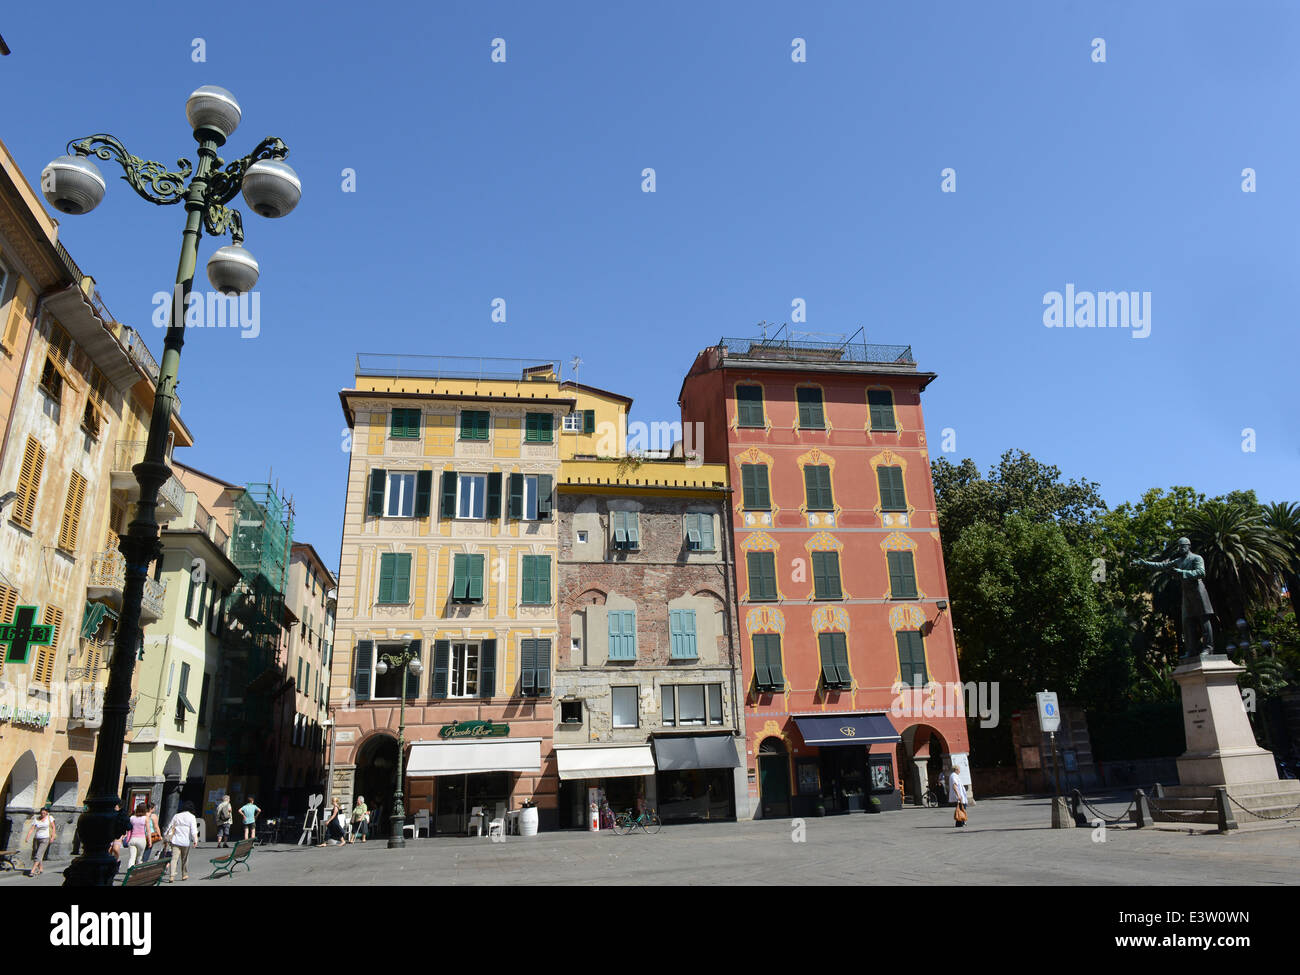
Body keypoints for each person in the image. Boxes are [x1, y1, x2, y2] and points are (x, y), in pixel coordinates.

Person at [164, 801, 199, 882]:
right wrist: (195, 840)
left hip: (175, 840)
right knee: (185, 859)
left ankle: (171, 876)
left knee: (174, 858)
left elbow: (170, 826)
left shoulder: (177, 816)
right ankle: (184, 874)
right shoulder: (192, 817)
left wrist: (167, 837)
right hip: (185, 841)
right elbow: (194, 830)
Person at [23, 806, 56, 877]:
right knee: (37, 853)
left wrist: (52, 837)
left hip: (45, 838)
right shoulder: (37, 819)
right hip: (37, 838)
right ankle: (40, 868)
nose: (43, 814)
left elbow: (53, 827)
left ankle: (33, 870)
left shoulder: (50, 818)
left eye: (44, 813)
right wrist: (27, 837)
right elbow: (32, 829)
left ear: (47, 812)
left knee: (39, 854)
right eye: (42, 813)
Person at [124, 802, 150, 868]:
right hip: (141, 840)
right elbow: (148, 831)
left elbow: (129, 829)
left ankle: (129, 871)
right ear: (145, 810)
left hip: (132, 839)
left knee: (132, 858)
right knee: (139, 858)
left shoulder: (132, 818)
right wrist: (150, 841)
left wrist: (127, 839)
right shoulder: (145, 818)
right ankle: (137, 873)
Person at [948, 763, 968, 828]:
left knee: (961, 808)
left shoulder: (954, 775)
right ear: (956, 769)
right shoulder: (954, 776)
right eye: (959, 770)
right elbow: (954, 786)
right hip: (959, 796)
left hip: (960, 796)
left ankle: (961, 822)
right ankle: (960, 823)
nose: (960, 771)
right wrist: (958, 795)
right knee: (961, 808)